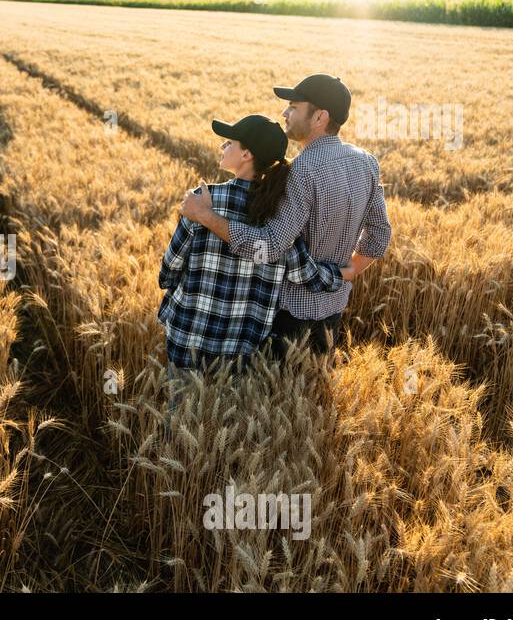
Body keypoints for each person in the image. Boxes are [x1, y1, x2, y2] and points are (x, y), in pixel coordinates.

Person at [180, 74, 392, 359]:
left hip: (287, 316)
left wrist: (205, 215)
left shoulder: (301, 171)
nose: (284, 113)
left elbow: (268, 247)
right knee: (312, 395)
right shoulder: (366, 161)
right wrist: (351, 271)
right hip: (334, 308)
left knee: (274, 395)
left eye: (293, 106)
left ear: (320, 117)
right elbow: (380, 233)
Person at [158, 114, 346, 406]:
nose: (223, 145)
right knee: (223, 426)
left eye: (229, 142)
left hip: (188, 337)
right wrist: (345, 273)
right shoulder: (279, 220)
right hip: (239, 348)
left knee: (179, 418)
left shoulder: (202, 202)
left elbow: (169, 269)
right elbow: (306, 276)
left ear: (246, 154)